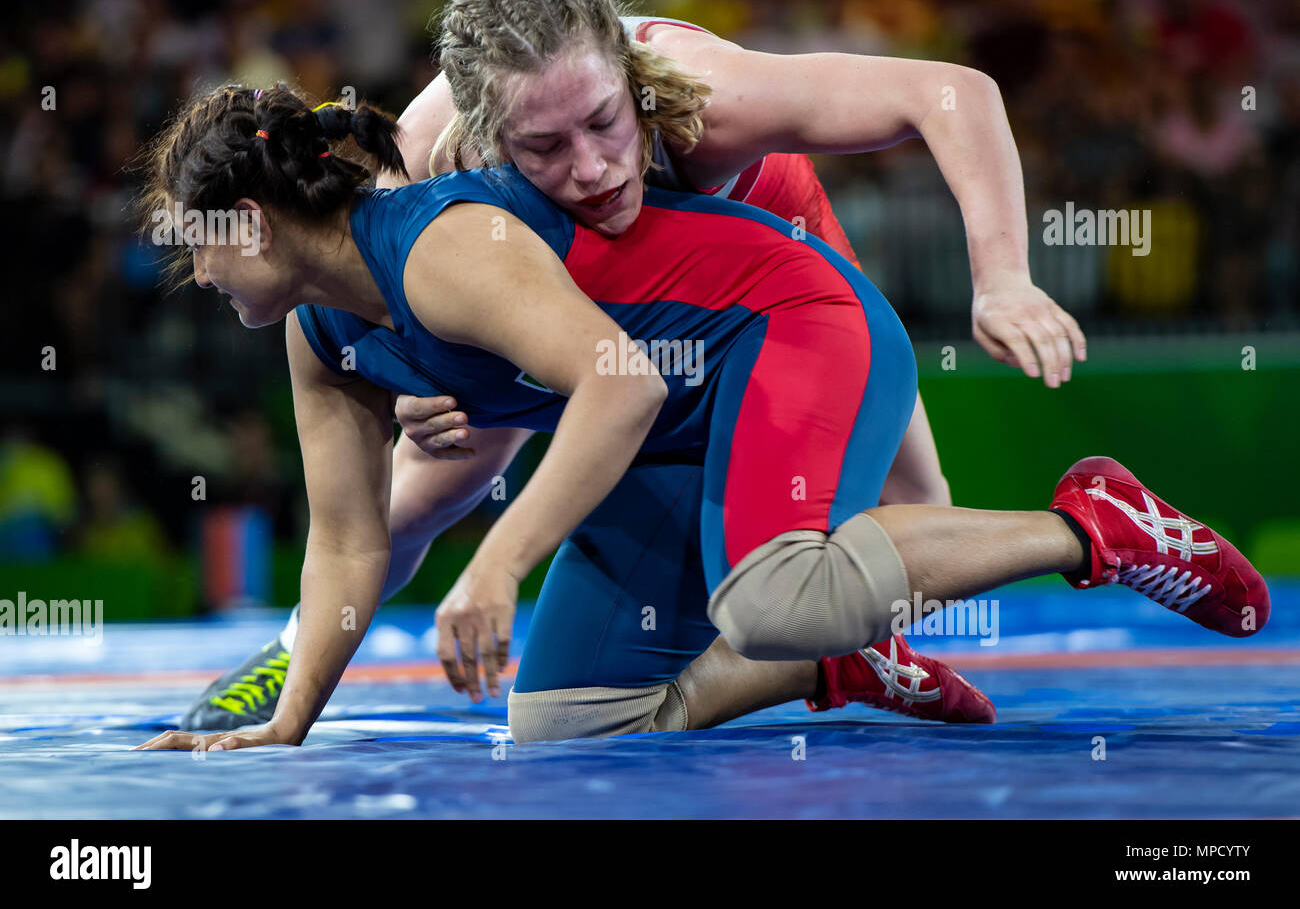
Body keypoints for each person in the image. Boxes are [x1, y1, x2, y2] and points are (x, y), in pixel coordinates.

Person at [136, 83, 1266, 753]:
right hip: (673, 415)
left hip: (789, 319)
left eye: (192, 244)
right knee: (571, 720)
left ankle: (1100, 524)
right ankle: (837, 666)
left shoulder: (435, 248)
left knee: (780, 587)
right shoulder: (318, 329)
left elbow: (617, 383)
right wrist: (288, 724)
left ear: (247, 218)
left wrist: (501, 565)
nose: (193, 274)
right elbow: (346, 538)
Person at [182, 0, 1084, 731]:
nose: (594, 167)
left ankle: (880, 636)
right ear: (490, 138)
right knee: (420, 488)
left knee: (909, 515)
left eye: (608, 123)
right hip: (572, 302)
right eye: (544, 149)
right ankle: (292, 653)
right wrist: (415, 380)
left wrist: (1003, 276)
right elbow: (358, 280)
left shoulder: (705, 98)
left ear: (629, 81)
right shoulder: (426, 160)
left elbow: (950, 90)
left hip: (764, 277)